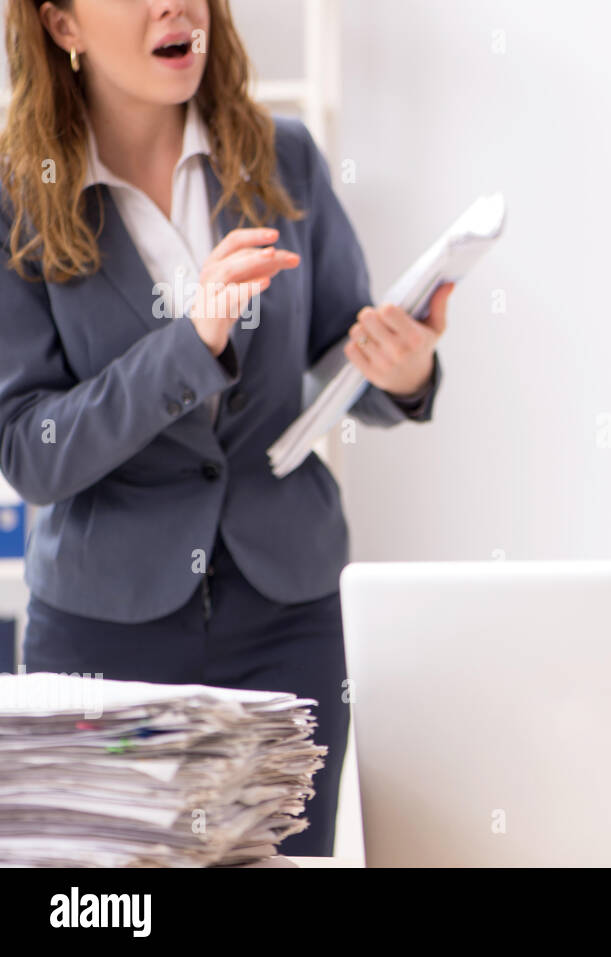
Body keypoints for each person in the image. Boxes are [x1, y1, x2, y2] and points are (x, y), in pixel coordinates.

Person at [0, 0, 454, 857]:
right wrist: (188, 341)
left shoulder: (284, 157)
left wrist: (401, 373)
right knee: (117, 909)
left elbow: (334, 356)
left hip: (289, 618)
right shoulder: (16, 196)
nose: (176, 4)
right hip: (105, 633)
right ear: (63, 27)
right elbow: (31, 450)